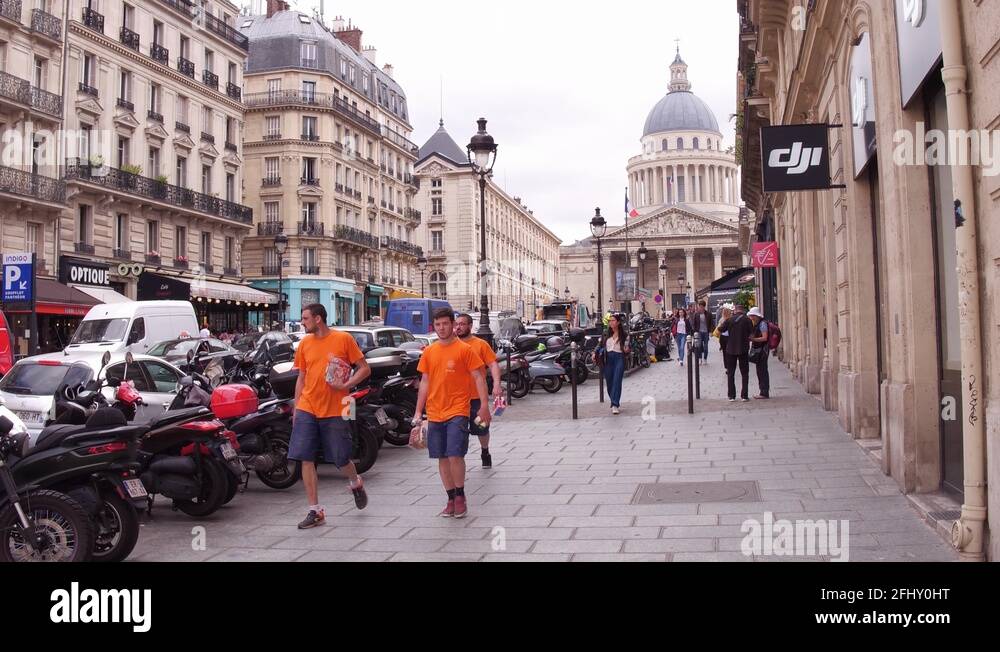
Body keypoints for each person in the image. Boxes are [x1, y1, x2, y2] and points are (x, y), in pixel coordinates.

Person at [289, 303, 372, 529]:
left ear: (318, 319)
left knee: (340, 459)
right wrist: (297, 406)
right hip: (308, 407)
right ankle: (315, 511)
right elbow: (301, 377)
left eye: (305, 318)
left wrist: (346, 383)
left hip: (339, 407)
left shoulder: (343, 339)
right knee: (306, 457)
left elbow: (364, 368)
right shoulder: (304, 343)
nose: (302, 322)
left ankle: (355, 482)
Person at [414, 309, 491, 519]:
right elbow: (425, 382)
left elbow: (478, 378)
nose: (441, 328)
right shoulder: (429, 352)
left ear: (453, 325)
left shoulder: (465, 350)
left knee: (455, 453)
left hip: (458, 409)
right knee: (442, 456)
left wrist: (484, 405)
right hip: (434, 412)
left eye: (445, 324)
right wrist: (418, 412)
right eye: (437, 325)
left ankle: (460, 495)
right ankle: (450, 497)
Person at [455, 313, 503, 470]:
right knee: (457, 432)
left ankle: (485, 451)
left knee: (481, 428)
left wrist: (497, 384)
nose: (459, 327)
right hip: (456, 400)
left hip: (477, 398)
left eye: (462, 324)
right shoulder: (451, 345)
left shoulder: (481, 344)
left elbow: (493, 365)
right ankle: (457, 459)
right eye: (457, 324)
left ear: (470, 326)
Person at [595, 313, 629, 415]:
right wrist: (594, 352)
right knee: (609, 382)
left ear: (618, 322)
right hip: (608, 358)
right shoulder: (605, 333)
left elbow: (627, 347)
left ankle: (615, 404)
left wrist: (626, 349)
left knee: (617, 381)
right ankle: (613, 399)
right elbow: (599, 345)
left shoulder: (624, 334)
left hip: (619, 358)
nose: (611, 322)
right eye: (610, 321)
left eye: (613, 320)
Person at [724, 304, 755, 402]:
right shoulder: (747, 320)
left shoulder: (729, 320)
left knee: (731, 373)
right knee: (744, 373)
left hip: (731, 349)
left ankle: (731, 396)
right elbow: (752, 334)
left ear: (735, 310)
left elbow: (721, 330)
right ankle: (744, 396)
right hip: (743, 349)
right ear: (743, 310)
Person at [748, 307, 771, 400]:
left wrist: (753, 339)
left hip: (762, 351)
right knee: (760, 371)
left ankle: (764, 393)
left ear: (756, 316)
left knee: (762, 371)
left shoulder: (762, 324)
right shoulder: (758, 323)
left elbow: (765, 337)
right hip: (760, 350)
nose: (751, 318)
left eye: (752, 316)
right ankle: (763, 391)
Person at [694, 301, 715, 365]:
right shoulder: (697, 314)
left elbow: (712, 323)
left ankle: (705, 358)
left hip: (706, 332)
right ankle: (700, 358)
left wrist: (711, 331)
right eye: (699, 306)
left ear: (704, 307)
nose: (700, 308)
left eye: (702, 306)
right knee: (699, 345)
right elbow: (694, 324)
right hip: (699, 332)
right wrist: (695, 332)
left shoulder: (708, 314)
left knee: (706, 347)